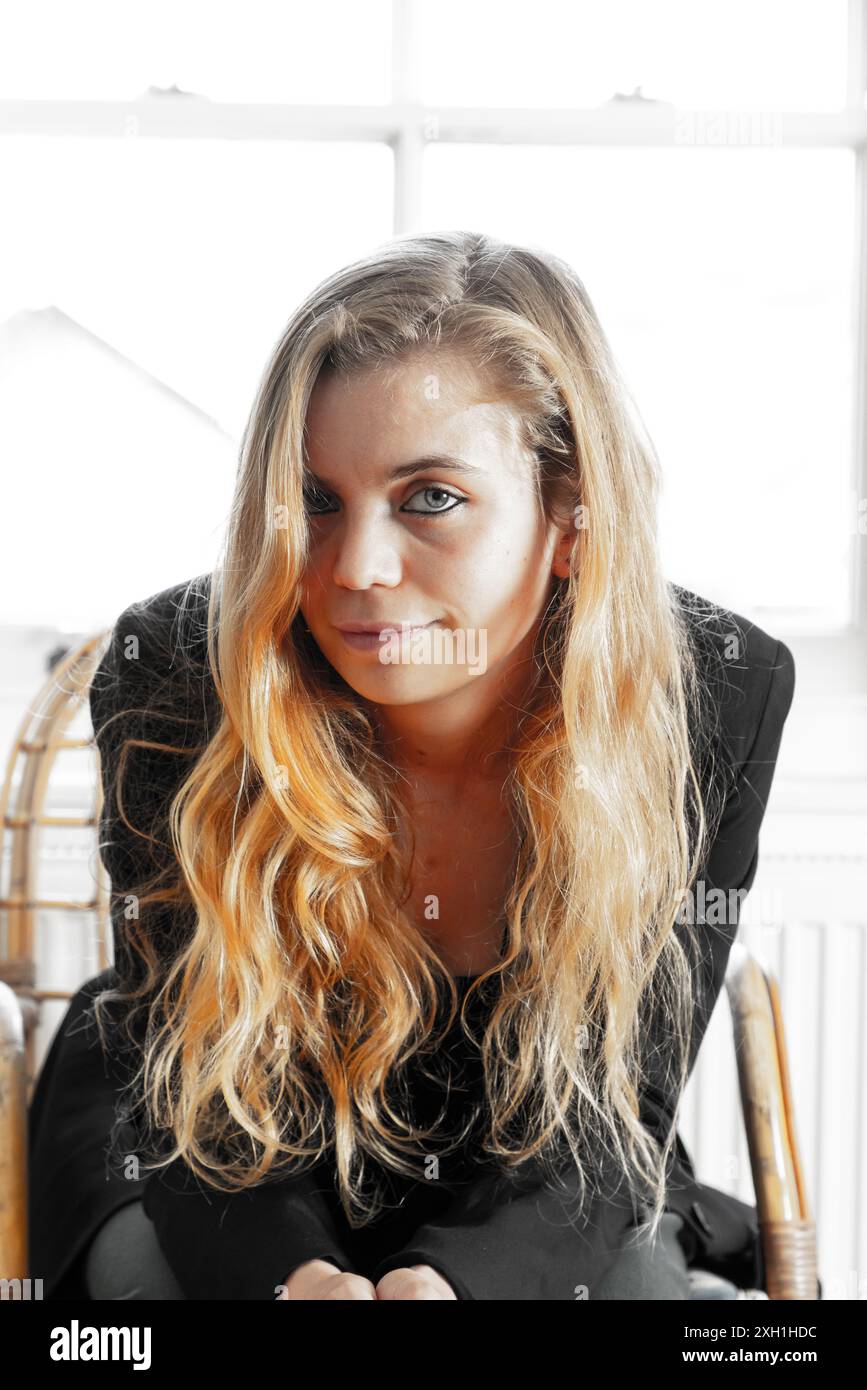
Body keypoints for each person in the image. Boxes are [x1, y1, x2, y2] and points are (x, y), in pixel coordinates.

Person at [28, 230, 795, 1300]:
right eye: (317, 502)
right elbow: (195, 1078)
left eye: (430, 497)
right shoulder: (177, 675)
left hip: (537, 1157)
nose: (358, 570)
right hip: (214, 1144)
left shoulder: (712, 690)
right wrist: (298, 1278)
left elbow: (619, 1092)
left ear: (571, 508)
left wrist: (446, 1285)